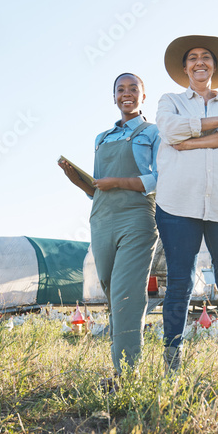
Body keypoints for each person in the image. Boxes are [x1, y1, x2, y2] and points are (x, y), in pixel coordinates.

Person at [154, 34, 218, 392]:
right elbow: (168, 131)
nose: (200, 62)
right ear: (184, 68)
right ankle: (172, 367)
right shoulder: (170, 101)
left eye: (206, 58)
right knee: (179, 284)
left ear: (215, 66)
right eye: (193, 58)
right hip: (178, 204)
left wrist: (195, 140)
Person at [59, 73, 159, 388]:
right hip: (101, 216)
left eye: (134, 89)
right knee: (111, 291)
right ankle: (120, 364)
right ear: (113, 96)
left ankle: (127, 375)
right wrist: (80, 181)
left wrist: (119, 182)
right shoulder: (101, 138)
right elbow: (97, 187)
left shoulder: (153, 133)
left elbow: (162, 177)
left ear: (144, 96)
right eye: (121, 89)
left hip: (136, 216)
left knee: (127, 293)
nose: (126, 94)